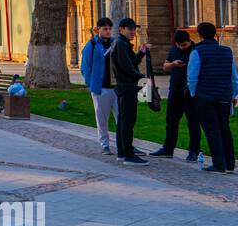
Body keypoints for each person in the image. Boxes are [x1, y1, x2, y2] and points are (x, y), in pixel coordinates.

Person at [188, 21, 238, 173]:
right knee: (225, 129)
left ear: (200, 35)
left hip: (205, 96)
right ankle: (230, 164)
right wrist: (234, 94)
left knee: (212, 130)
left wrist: (193, 93)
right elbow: (234, 76)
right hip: (224, 95)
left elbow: (192, 77)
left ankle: (219, 164)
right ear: (215, 34)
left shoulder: (197, 52)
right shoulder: (227, 51)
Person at [150, 29, 201, 162]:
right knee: (171, 121)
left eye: (183, 45)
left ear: (189, 41)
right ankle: (168, 149)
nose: (180, 47)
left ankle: (194, 151)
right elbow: (165, 66)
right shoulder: (174, 50)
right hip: (175, 90)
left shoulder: (195, 51)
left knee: (193, 122)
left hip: (190, 92)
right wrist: (173, 64)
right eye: (178, 45)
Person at [109, 17, 151, 165]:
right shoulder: (120, 44)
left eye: (134, 29)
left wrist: (141, 53)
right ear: (121, 29)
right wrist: (144, 79)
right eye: (130, 29)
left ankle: (122, 152)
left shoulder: (123, 44)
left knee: (123, 120)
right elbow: (128, 68)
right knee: (127, 121)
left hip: (125, 86)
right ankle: (128, 154)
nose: (133, 31)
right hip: (126, 87)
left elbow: (131, 63)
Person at [80, 17, 117, 155]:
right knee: (102, 119)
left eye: (109, 29)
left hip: (116, 88)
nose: (108, 32)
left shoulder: (115, 44)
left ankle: (123, 144)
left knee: (121, 118)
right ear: (98, 30)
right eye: (105, 29)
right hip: (100, 89)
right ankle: (105, 144)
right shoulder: (92, 45)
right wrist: (92, 84)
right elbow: (86, 67)